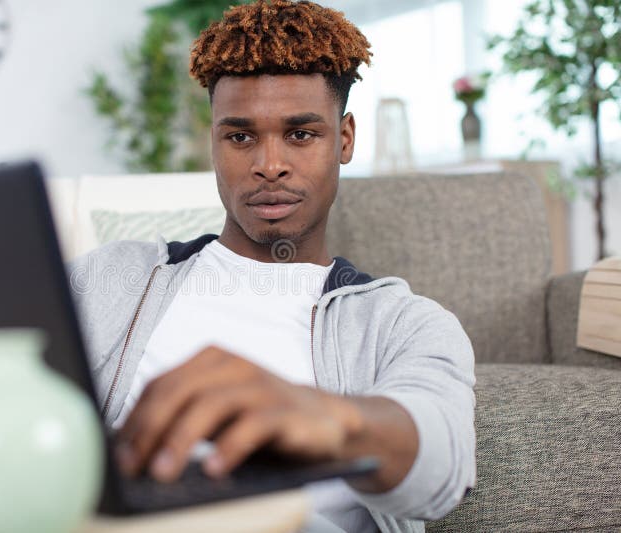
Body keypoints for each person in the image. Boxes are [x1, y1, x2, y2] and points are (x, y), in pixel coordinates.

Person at [69, 1, 475, 531]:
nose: (268, 165)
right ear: (213, 144)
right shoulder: (113, 275)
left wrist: (333, 419)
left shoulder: (402, 322)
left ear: (345, 139)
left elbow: (440, 470)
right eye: (240, 137)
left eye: (300, 134)